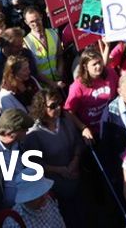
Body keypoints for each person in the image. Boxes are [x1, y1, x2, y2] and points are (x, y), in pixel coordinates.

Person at [24, 88, 85, 226]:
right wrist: (60, 170)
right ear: (41, 107)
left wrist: (75, 160)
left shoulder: (65, 120)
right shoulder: (34, 134)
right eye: (52, 106)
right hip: (54, 188)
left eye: (59, 104)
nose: (58, 108)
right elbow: (34, 164)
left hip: (75, 179)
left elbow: (77, 142)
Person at [0, 177, 66, 228]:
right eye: (37, 195)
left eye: (44, 192)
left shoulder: (49, 201)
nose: (44, 198)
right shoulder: (14, 222)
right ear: (26, 198)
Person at [22, 7, 65, 86]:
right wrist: (52, 84)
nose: (35, 24)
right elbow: (33, 70)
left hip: (59, 81)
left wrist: (60, 71)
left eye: (37, 19)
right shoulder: (26, 43)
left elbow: (59, 55)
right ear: (26, 22)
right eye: (31, 22)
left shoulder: (53, 33)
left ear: (41, 16)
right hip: (44, 87)